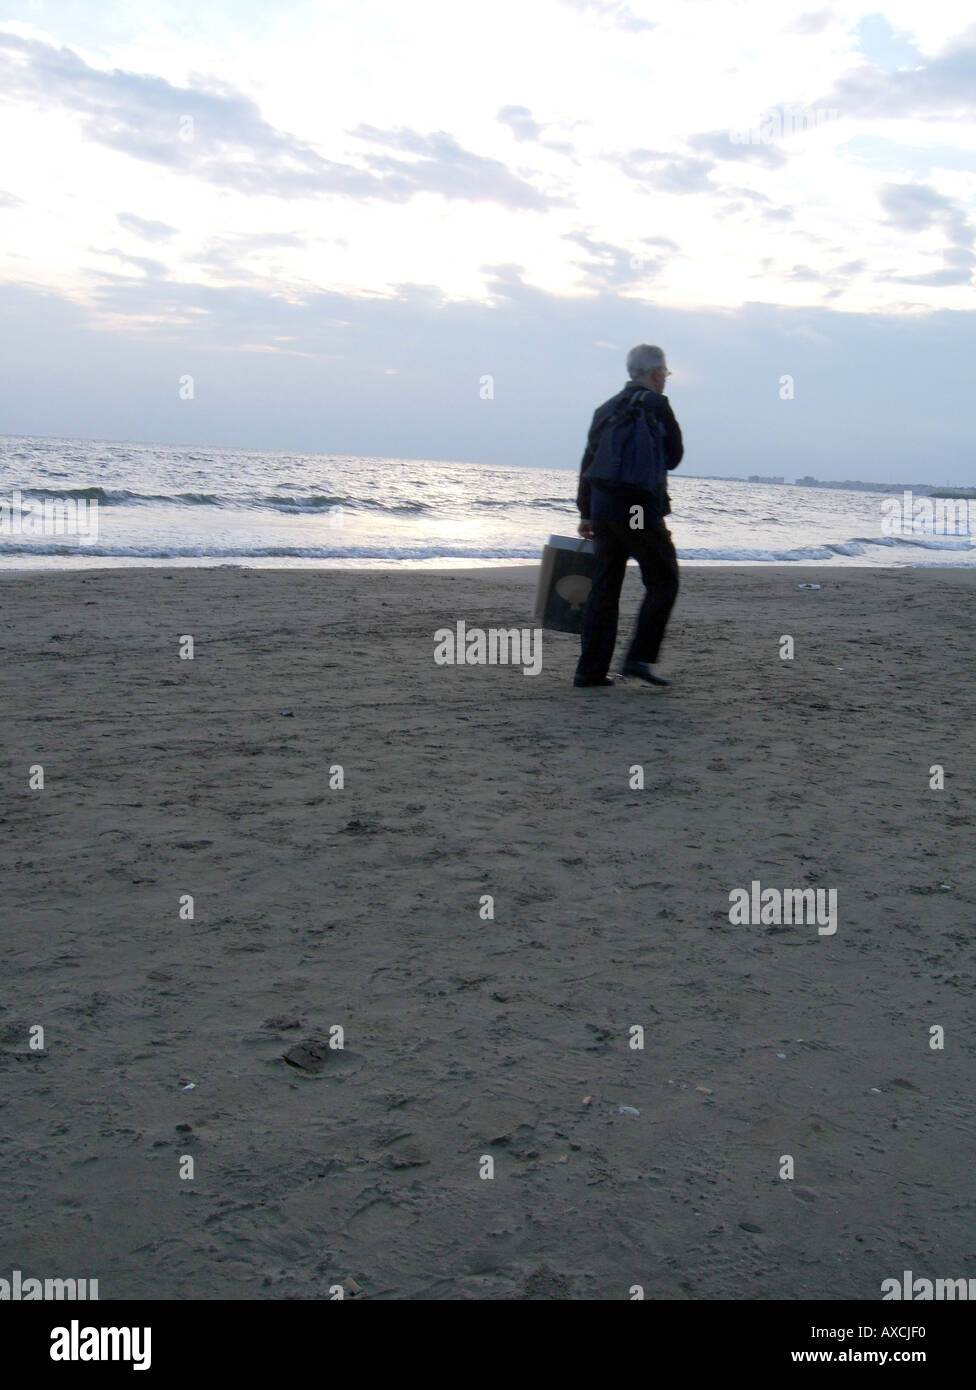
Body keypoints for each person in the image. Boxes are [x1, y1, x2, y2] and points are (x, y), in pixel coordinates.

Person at [573, 344, 683, 688]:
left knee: (604, 589)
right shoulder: (657, 404)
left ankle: (589, 671)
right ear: (655, 374)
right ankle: (638, 658)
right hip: (638, 509)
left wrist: (586, 513)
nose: (664, 379)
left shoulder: (604, 408)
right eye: (664, 373)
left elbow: (588, 463)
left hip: (604, 509)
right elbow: (674, 456)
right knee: (664, 579)